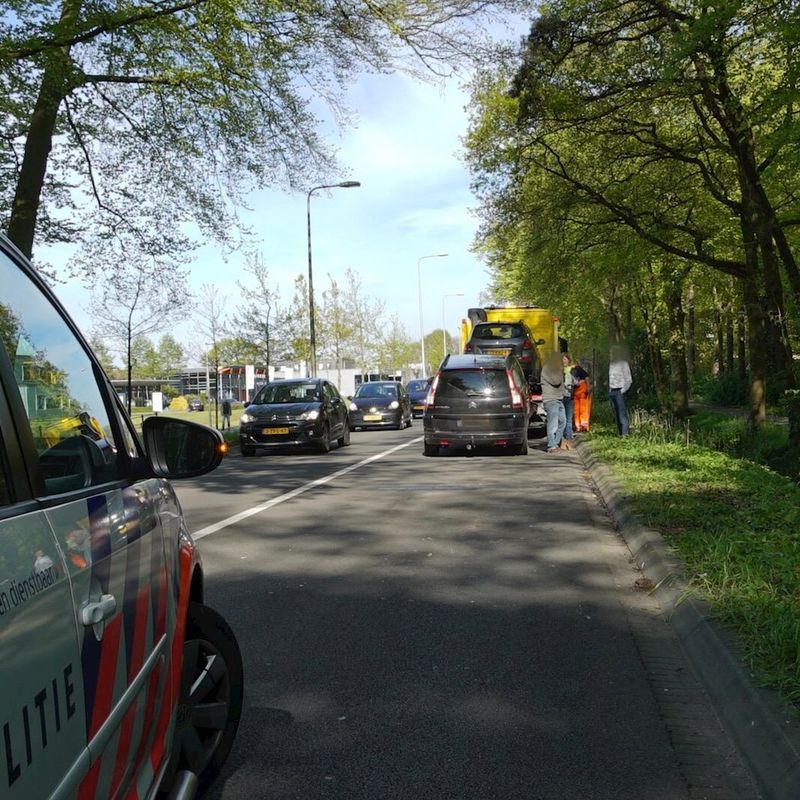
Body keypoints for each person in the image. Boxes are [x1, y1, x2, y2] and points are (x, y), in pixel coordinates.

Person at [541, 351, 567, 453]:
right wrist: (561, 370)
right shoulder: (548, 368)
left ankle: (555, 443)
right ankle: (551, 446)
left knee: (562, 422)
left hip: (559, 399)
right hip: (551, 399)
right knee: (553, 424)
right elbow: (556, 381)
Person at [608, 344, 632, 436]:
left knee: (622, 413)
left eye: (611, 353)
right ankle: (620, 433)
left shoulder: (623, 363)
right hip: (612, 390)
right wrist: (610, 390)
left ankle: (625, 434)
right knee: (616, 413)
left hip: (620, 390)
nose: (610, 354)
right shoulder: (611, 364)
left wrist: (622, 391)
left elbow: (628, 379)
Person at [571, 360, 592, 433]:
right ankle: (579, 426)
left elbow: (586, 378)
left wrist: (588, 387)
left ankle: (583, 426)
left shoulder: (577, 369)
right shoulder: (570, 370)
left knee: (582, 409)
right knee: (577, 410)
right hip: (576, 392)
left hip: (582, 391)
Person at [562, 353, 576, 442]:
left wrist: (574, 383)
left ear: (568, 360)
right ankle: (563, 436)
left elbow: (576, 381)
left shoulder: (572, 370)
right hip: (561, 396)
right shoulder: (559, 370)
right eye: (562, 359)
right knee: (563, 418)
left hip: (569, 396)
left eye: (565, 359)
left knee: (569, 417)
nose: (564, 361)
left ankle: (569, 437)